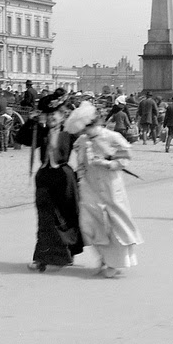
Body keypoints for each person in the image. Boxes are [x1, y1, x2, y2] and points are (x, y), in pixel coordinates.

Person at [66, 102, 143, 278]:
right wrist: (81, 178)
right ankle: (102, 257)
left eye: (89, 128)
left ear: (97, 123)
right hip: (90, 185)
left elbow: (125, 157)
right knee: (91, 222)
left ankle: (115, 262)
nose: (86, 132)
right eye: (84, 130)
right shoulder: (82, 141)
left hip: (110, 184)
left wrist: (107, 163)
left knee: (115, 222)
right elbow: (81, 163)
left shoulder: (112, 137)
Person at [29, 91, 84, 272]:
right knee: (44, 218)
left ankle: (68, 253)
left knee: (66, 216)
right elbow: (22, 139)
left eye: (55, 114)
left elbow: (85, 146)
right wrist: (31, 122)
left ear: (63, 116)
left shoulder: (69, 133)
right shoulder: (41, 131)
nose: (52, 117)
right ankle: (42, 258)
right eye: (49, 114)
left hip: (64, 177)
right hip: (44, 176)